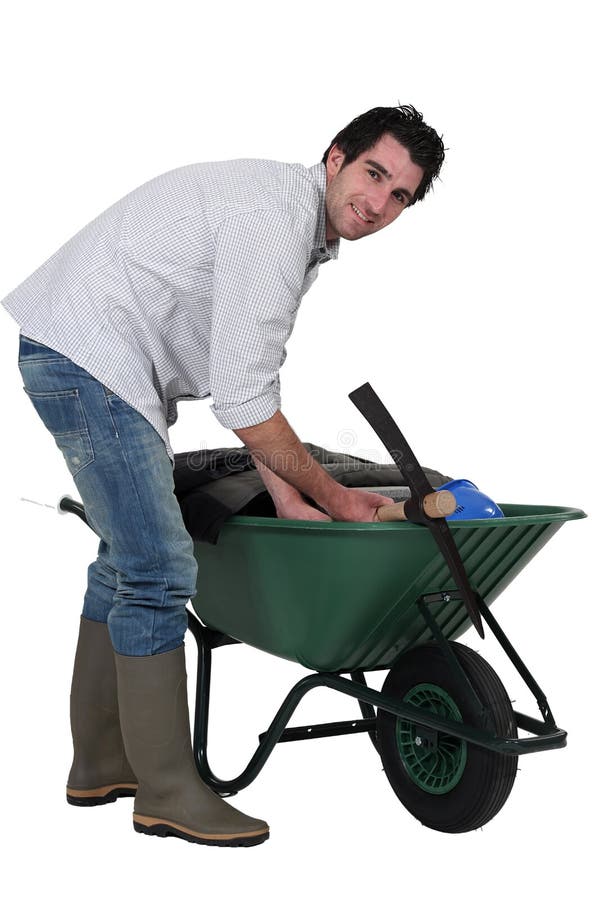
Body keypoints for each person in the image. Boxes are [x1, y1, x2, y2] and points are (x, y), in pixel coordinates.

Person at [2, 104, 445, 847]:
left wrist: (287, 495)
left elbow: (248, 379)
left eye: (399, 195)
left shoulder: (295, 221)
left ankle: (100, 763)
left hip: (91, 355)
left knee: (124, 561)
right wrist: (334, 497)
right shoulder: (274, 221)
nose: (378, 203)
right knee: (158, 569)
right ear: (336, 156)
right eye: (374, 174)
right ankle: (168, 792)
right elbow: (243, 397)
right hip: (88, 357)